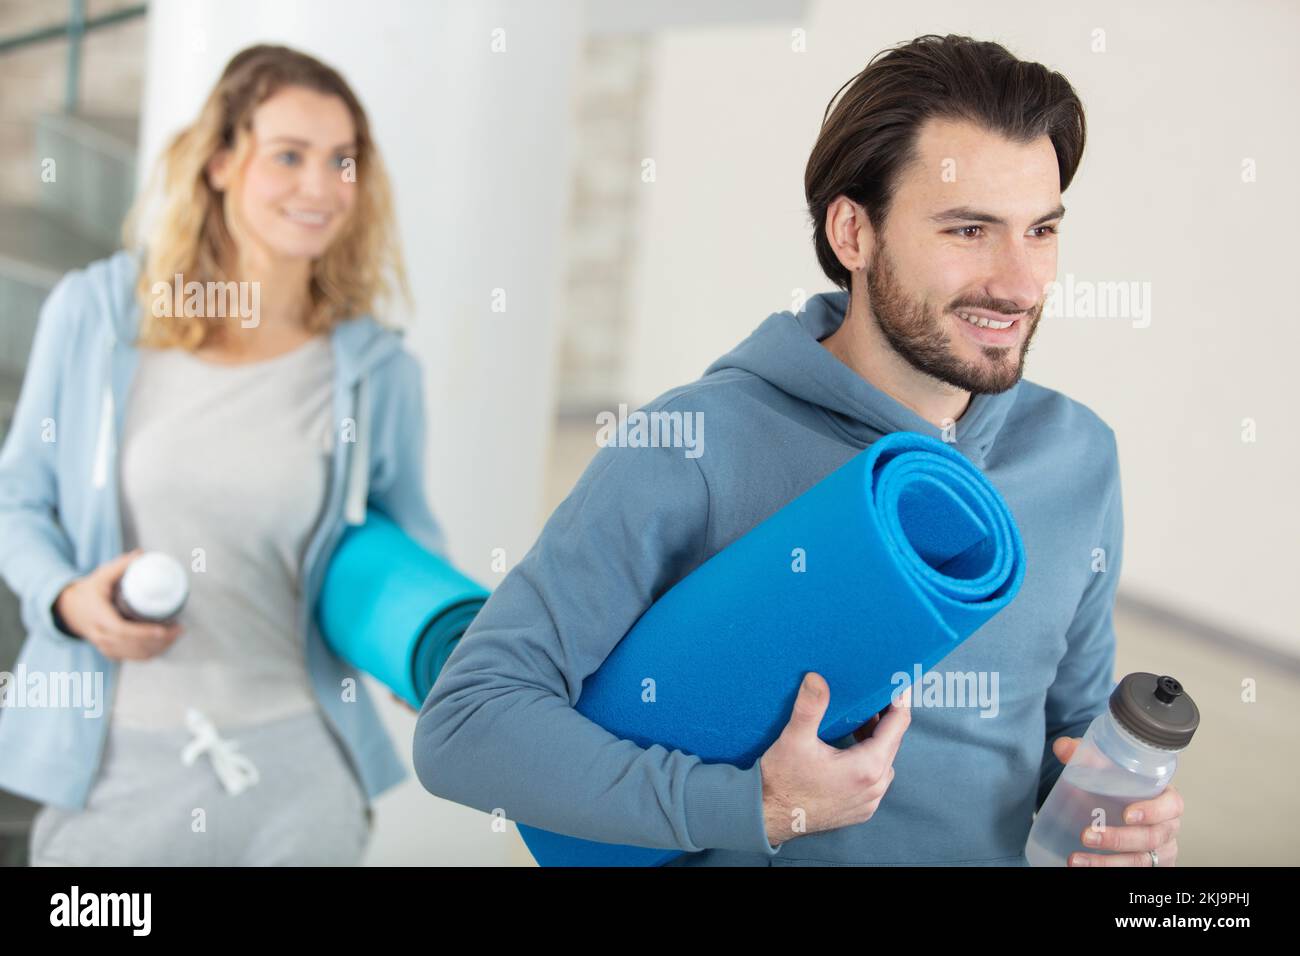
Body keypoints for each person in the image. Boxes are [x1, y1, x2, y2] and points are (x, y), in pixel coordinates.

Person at [413, 34, 1183, 867]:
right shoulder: (693, 446)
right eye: (969, 229)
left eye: (1040, 230)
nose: (1021, 282)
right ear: (853, 232)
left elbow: (1062, 733)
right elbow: (467, 724)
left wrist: (1108, 816)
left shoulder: (1077, 457)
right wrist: (756, 807)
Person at [0, 44, 446, 865]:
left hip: (299, 773)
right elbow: (16, 500)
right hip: (117, 771)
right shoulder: (98, 316)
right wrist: (66, 598)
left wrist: (422, 646)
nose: (320, 186)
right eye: (289, 155)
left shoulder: (374, 368)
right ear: (219, 162)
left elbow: (409, 533)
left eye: (342, 160)